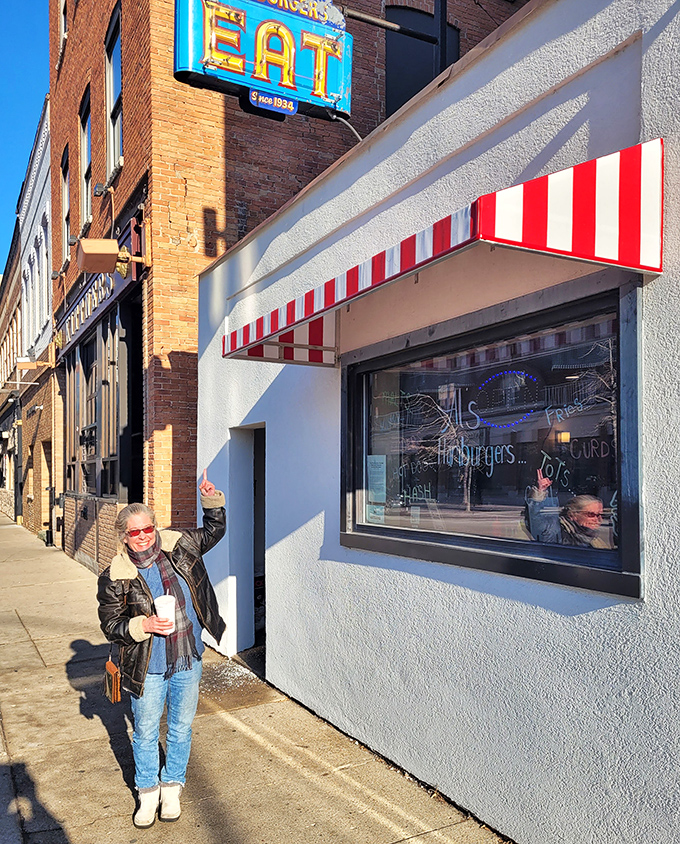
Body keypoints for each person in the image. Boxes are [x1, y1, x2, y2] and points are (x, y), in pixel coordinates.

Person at [97, 471, 226, 829]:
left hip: (187, 658)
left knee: (181, 728)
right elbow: (111, 624)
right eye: (134, 532)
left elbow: (214, 531)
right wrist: (143, 625)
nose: (142, 538)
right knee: (145, 732)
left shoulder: (179, 545)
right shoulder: (114, 575)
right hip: (148, 665)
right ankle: (147, 793)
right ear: (124, 536)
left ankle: (172, 788)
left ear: (155, 528)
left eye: (147, 529)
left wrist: (211, 501)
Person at [525, 468, 608, 548]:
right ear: (572, 515)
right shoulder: (555, 531)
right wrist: (538, 494)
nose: (598, 519)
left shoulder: (595, 538)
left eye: (600, 515)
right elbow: (536, 520)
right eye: (591, 514)